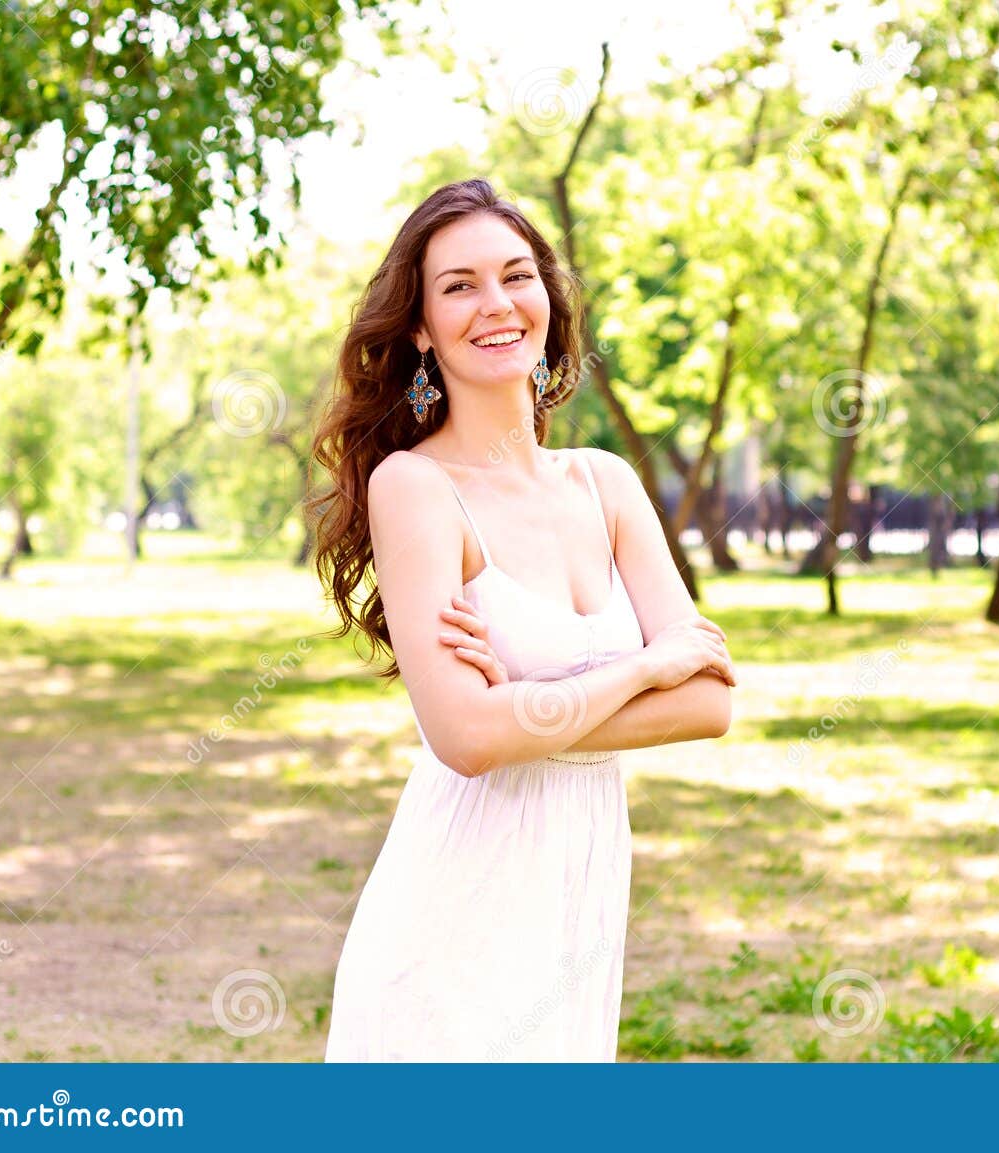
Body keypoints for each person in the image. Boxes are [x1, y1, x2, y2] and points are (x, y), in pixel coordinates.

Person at [308, 178, 735, 1061]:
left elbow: (710, 704)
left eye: (516, 275)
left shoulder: (606, 482)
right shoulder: (416, 488)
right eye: (458, 285)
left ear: (547, 297)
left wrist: (528, 709)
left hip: (578, 899)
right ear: (421, 327)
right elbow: (464, 737)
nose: (496, 304)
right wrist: (643, 669)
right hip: (457, 904)